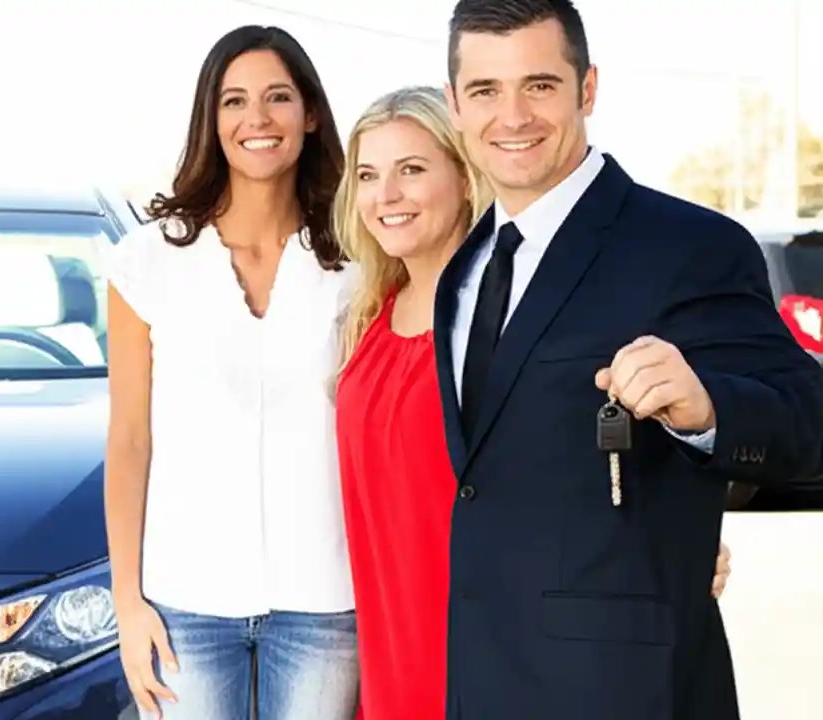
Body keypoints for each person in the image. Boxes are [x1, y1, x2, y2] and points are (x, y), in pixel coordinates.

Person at [426, 1, 823, 717]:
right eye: (485, 90)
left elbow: (810, 425)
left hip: (631, 691)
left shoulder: (688, 246)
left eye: (540, 85)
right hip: (484, 681)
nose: (512, 115)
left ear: (588, 89)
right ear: (455, 103)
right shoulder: (465, 267)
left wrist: (708, 411)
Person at [332, 85, 735, 720]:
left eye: (411, 170)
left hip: (498, 649)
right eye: (367, 175)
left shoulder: (515, 320)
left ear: (466, 179)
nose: (386, 196)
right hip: (387, 646)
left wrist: (675, 542)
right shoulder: (363, 321)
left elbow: (588, 454)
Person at [102, 25, 359, 720]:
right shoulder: (145, 262)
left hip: (326, 602)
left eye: (278, 97)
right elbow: (129, 441)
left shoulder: (358, 260)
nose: (258, 119)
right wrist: (127, 604)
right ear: (210, 121)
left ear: (310, 114)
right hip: (184, 603)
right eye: (234, 101)